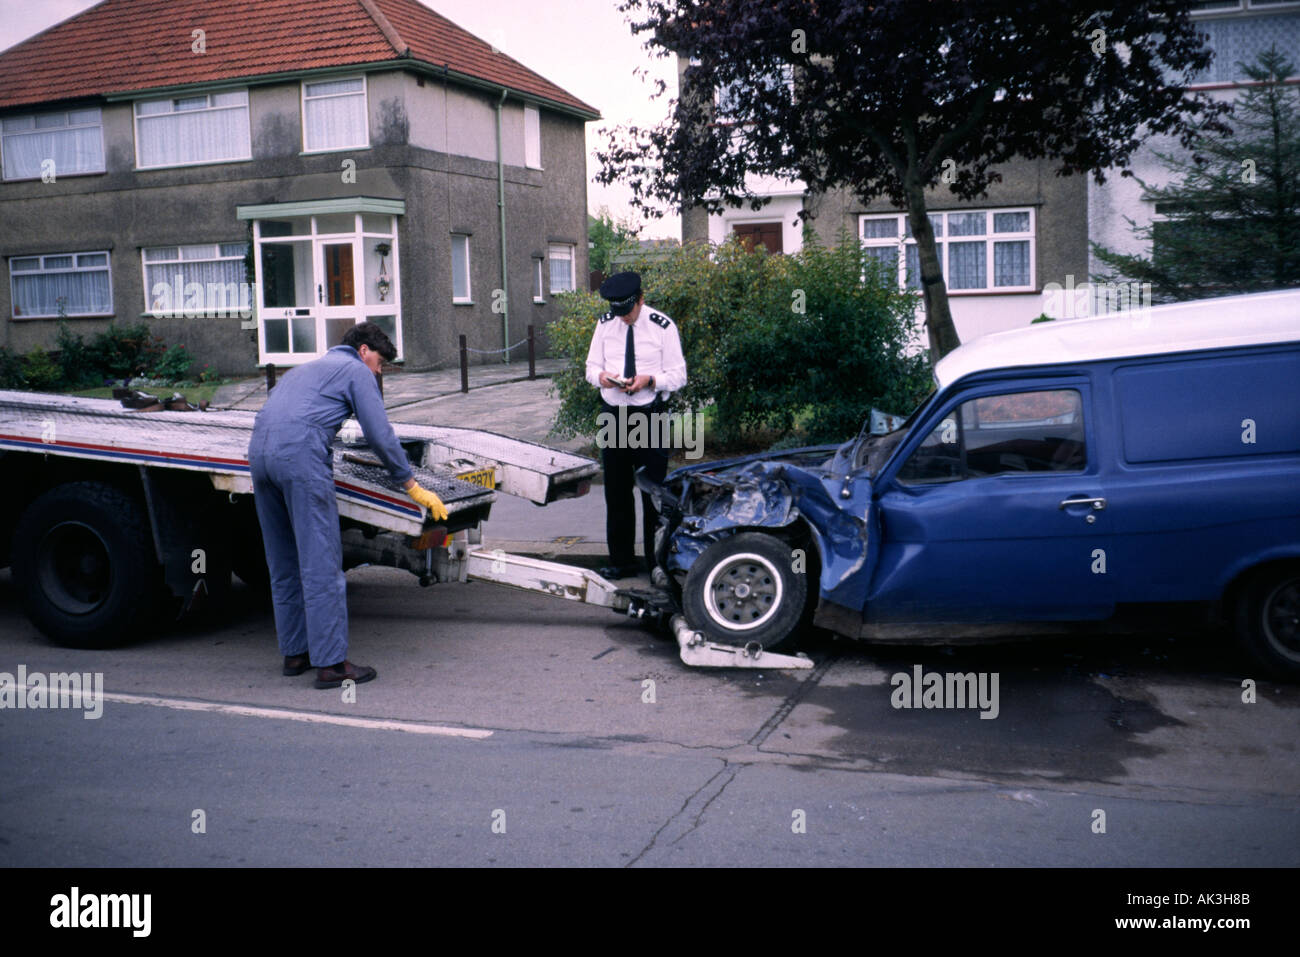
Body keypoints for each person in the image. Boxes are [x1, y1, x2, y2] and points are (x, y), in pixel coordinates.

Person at [248, 322, 448, 689]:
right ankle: (332, 665)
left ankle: (295, 654)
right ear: (363, 351)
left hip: (259, 457)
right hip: (299, 457)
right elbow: (378, 433)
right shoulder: (355, 370)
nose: (379, 371)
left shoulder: (304, 369)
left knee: (283, 561)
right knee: (320, 562)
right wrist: (410, 484)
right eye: (379, 363)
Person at [585, 271, 687, 579]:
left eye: (628, 311)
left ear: (641, 300)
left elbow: (679, 375)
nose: (624, 319)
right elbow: (591, 367)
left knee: (653, 493)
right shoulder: (605, 325)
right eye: (618, 312)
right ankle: (621, 561)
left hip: (649, 415)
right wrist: (601, 377)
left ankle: (657, 564)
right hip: (614, 414)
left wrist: (650, 380)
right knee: (616, 492)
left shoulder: (663, 327)